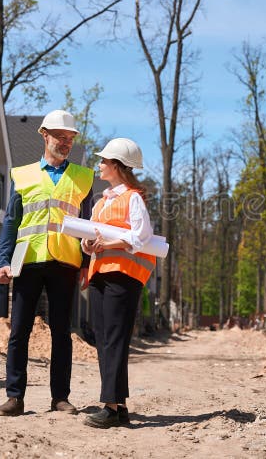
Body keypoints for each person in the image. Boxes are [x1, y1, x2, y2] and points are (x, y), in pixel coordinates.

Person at [0, 109, 94, 417]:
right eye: (60, 137)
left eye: (70, 138)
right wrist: (2, 261)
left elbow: (89, 225)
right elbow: (11, 223)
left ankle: (60, 398)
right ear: (44, 135)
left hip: (65, 262)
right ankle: (15, 397)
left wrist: (87, 264)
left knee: (61, 332)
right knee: (19, 331)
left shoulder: (82, 177)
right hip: (28, 261)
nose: (65, 143)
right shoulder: (21, 175)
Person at [80, 138, 156, 428]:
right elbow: (93, 235)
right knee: (104, 339)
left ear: (116, 165)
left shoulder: (133, 197)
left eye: (103, 161)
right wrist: (89, 246)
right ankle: (120, 406)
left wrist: (109, 243)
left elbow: (142, 236)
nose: (99, 165)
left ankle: (109, 408)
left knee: (114, 339)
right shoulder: (101, 201)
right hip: (100, 273)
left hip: (123, 277)